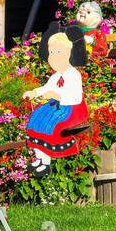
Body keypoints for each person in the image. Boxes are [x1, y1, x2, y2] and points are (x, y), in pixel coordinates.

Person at [23, 22, 89, 176]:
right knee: (36, 118)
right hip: (56, 105)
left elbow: (75, 97)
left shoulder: (74, 75)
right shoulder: (56, 76)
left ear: (69, 53)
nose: (53, 56)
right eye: (51, 52)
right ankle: (39, 158)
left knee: (50, 124)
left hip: (71, 108)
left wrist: (56, 96)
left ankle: (46, 162)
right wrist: (34, 92)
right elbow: (46, 87)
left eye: (59, 52)